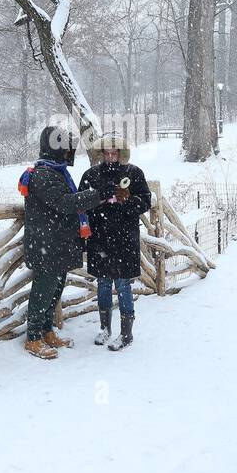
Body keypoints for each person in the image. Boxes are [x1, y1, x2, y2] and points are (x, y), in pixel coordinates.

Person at [18, 125, 108, 360]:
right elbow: (64, 203)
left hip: (56, 244)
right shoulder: (43, 175)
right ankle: (33, 337)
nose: (70, 154)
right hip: (46, 246)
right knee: (43, 291)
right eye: (67, 149)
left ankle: (47, 331)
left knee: (54, 291)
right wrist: (96, 195)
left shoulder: (55, 172)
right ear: (55, 149)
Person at [80, 135, 152, 351]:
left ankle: (126, 334)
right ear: (101, 153)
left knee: (122, 283)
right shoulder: (91, 175)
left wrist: (127, 200)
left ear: (121, 153)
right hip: (99, 239)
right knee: (102, 283)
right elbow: (80, 202)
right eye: (107, 153)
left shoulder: (134, 173)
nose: (111, 157)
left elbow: (146, 201)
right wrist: (99, 198)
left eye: (115, 153)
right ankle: (105, 329)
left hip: (124, 238)